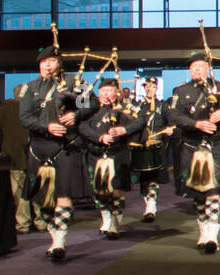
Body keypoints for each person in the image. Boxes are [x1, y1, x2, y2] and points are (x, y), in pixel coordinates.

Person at [20, 44, 96, 260]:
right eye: (44, 62)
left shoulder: (72, 83)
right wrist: (46, 127)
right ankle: (54, 231)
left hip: (64, 147)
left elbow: (91, 104)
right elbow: (25, 117)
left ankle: (60, 241)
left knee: (63, 196)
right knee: (42, 200)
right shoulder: (30, 88)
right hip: (38, 148)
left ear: (59, 64)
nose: (47, 65)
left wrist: (76, 115)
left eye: (52, 61)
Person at [167, 53, 220, 255]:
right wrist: (196, 124)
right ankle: (203, 230)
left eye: (201, 66)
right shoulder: (181, 91)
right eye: (193, 67)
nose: (197, 70)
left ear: (208, 68)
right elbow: (173, 115)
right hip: (192, 146)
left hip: (215, 145)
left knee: (213, 192)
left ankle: (212, 233)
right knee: (197, 193)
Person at [78, 78, 144, 238]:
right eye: (103, 90)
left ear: (117, 93)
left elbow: (141, 120)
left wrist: (124, 130)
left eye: (110, 91)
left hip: (118, 153)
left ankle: (115, 224)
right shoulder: (90, 108)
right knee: (99, 190)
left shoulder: (125, 107)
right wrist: (99, 137)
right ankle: (105, 218)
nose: (106, 94)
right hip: (96, 153)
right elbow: (82, 126)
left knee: (116, 189)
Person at [133, 77, 173, 222]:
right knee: (143, 180)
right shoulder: (137, 105)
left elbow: (171, 122)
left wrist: (169, 129)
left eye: (153, 87)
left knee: (153, 178)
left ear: (157, 89)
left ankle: (151, 206)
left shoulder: (163, 106)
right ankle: (148, 204)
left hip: (157, 145)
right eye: (147, 87)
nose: (150, 89)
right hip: (140, 146)